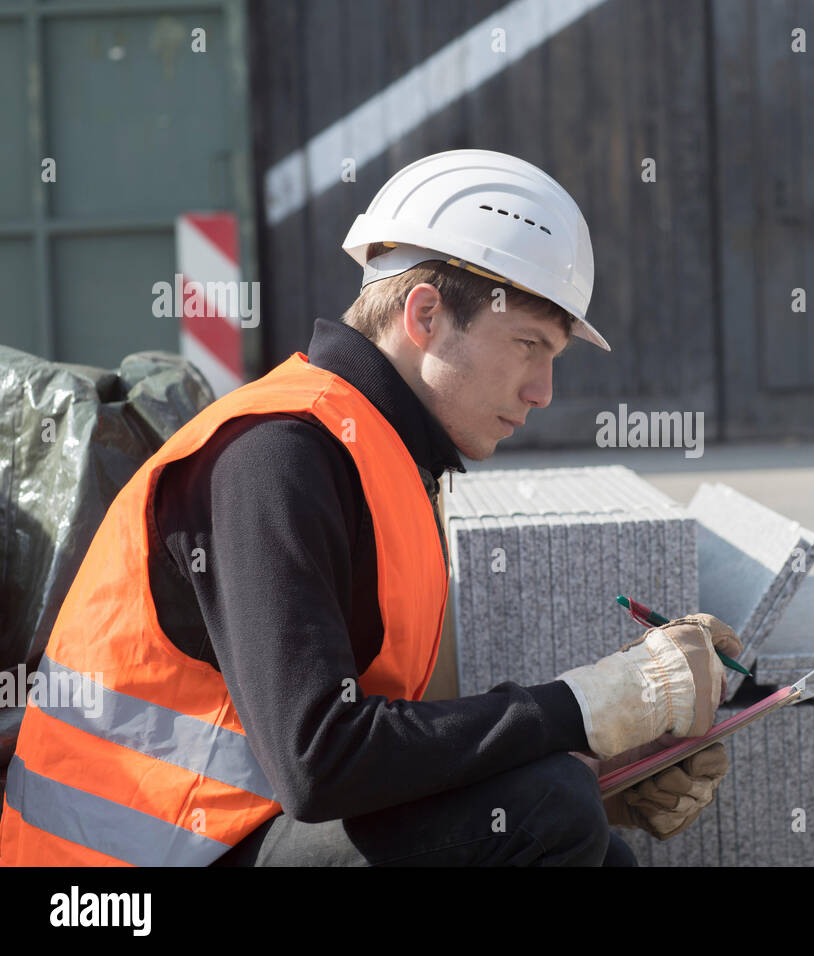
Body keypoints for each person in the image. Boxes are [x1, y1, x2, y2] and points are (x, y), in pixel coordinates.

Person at [0, 149, 742, 867]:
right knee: (546, 811)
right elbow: (320, 759)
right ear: (424, 315)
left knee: (580, 827)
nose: (542, 390)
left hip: (220, 841)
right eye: (526, 345)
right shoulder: (275, 454)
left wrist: (600, 762)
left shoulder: (381, 456)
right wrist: (590, 706)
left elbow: (381, 752)